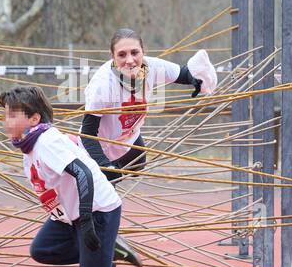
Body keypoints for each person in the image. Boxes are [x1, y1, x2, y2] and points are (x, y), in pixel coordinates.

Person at [0, 84, 142, 267]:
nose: (6, 121)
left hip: (97, 211)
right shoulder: (30, 144)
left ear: (34, 119)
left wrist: (88, 221)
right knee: (43, 249)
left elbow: (83, 173)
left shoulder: (47, 143)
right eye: (6, 114)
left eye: (13, 114)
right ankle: (108, 249)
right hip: (68, 217)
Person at [80, 28, 215, 183]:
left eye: (135, 52)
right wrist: (105, 165)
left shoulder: (150, 67)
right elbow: (87, 134)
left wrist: (195, 79)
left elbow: (182, 73)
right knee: (108, 196)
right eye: (122, 55)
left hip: (128, 136)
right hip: (101, 146)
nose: (129, 60)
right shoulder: (102, 85)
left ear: (143, 52)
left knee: (137, 166)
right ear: (113, 57)